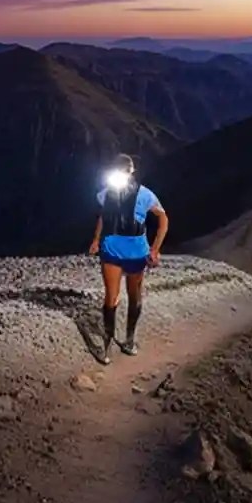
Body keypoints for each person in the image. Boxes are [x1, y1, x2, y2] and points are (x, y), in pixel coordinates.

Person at [87, 153, 168, 364]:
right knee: (125, 296)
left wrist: (155, 249)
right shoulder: (136, 194)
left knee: (118, 297)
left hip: (123, 252)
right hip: (126, 251)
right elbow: (105, 217)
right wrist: (96, 239)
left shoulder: (115, 193)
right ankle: (125, 343)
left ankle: (110, 348)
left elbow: (163, 218)